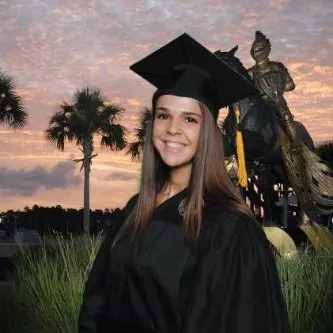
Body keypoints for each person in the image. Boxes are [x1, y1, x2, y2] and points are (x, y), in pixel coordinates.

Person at [78, 33, 291, 333]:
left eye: (190, 119)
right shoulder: (136, 207)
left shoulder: (230, 228)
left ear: (207, 132)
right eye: (164, 115)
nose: (173, 129)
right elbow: (96, 302)